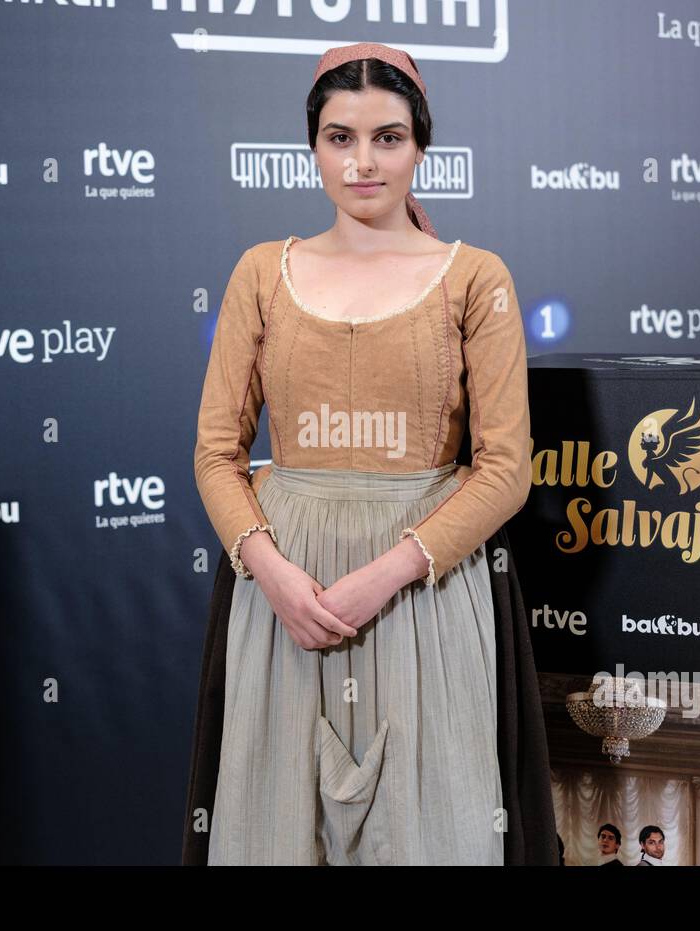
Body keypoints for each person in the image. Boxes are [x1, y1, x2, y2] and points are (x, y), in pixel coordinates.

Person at [181, 42, 557, 865]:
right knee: (276, 832)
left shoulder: (475, 278)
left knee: (435, 827)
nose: (362, 161)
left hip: (425, 592)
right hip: (283, 598)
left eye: (387, 137)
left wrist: (386, 573)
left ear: (421, 144)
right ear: (312, 145)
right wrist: (272, 575)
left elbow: (505, 469)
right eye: (339, 137)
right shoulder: (260, 273)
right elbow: (217, 453)